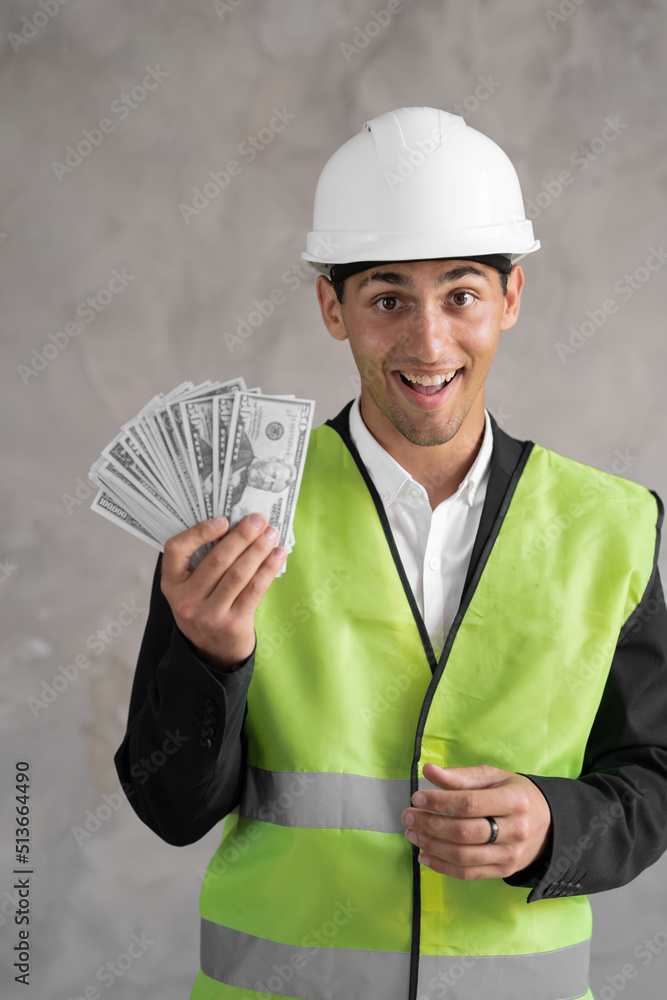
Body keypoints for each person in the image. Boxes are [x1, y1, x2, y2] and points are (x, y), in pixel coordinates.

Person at [114, 107, 667, 1000]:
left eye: (460, 295)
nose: (427, 342)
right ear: (331, 308)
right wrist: (208, 660)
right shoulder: (230, 517)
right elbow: (169, 807)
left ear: (511, 298)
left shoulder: (610, 526)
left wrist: (554, 822)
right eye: (386, 299)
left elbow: (653, 772)